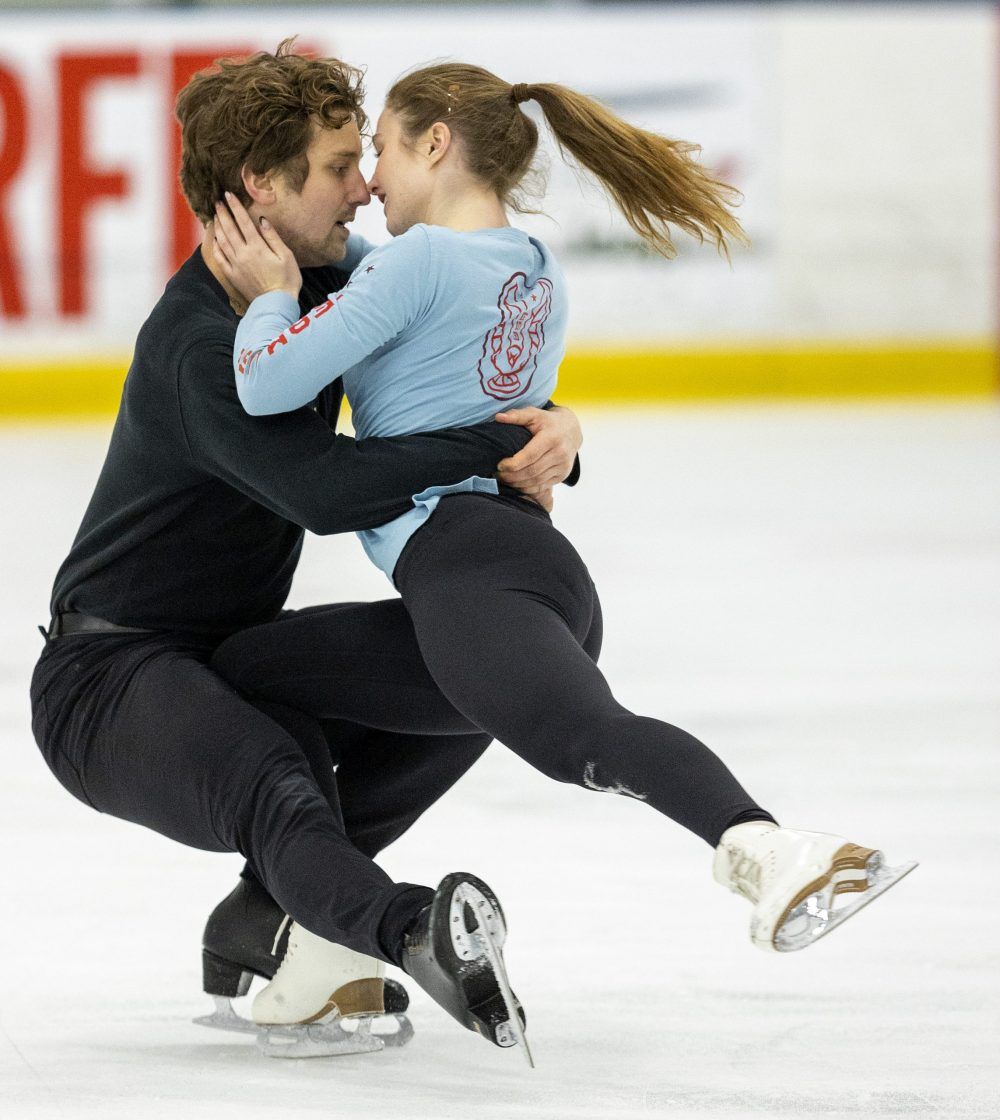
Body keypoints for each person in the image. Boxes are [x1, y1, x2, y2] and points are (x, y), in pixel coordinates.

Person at [209, 62, 918, 1059]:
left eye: (380, 151)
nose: (370, 180)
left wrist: (270, 298)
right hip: (527, 571)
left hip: (466, 572)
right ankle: (305, 931)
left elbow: (271, 383)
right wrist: (568, 427)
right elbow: (470, 367)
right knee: (243, 670)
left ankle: (769, 848)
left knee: (584, 735)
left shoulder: (413, 268)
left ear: (434, 143)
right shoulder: (534, 262)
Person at [28, 43, 584, 1056]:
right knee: (271, 775)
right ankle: (402, 928)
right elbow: (316, 491)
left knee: (471, 683)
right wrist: (493, 442)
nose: (366, 186)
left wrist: (555, 425)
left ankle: (264, 921)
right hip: (108, 679)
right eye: (337, 166)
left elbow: (464, 339)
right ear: (261, 187)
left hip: (234, 660)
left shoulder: (323, 287)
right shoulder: (200, 344)